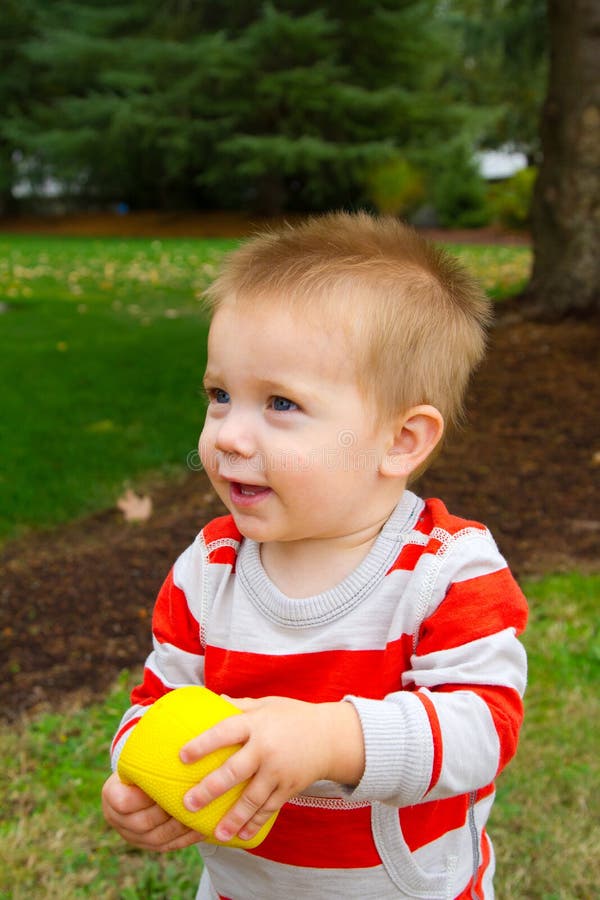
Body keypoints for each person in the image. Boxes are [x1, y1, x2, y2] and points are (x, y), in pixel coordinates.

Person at [102, 212, 528, 899]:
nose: (229, 435)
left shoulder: (447, 570)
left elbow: (485, 726)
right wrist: (135, 772)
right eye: (220, 396)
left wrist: (333, 739)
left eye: (280, 403)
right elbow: (156, 701)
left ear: (400, 441)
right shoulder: (208, 571)